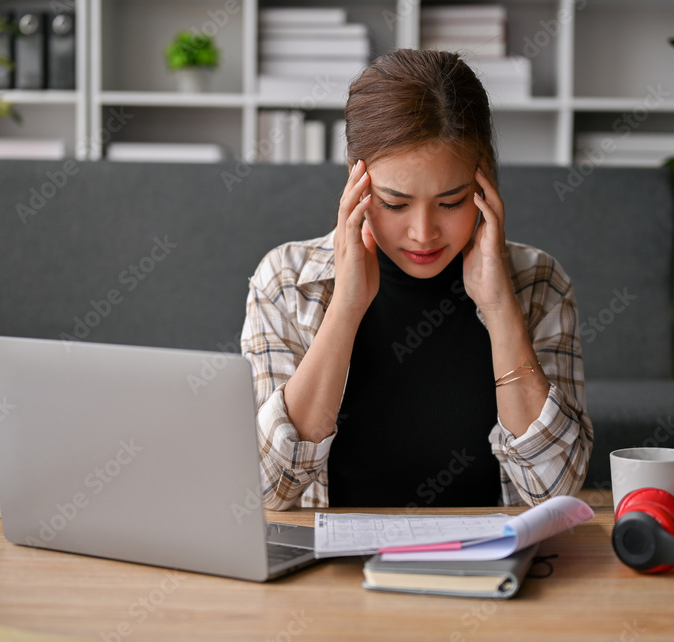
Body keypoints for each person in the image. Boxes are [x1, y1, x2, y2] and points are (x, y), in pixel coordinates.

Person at [242, 49, 594, 510]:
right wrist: (346, 307)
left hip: (488, 567)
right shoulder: (287, 281)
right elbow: (271, 490)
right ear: (357, 181)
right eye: (394, 203)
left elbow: (555, 491)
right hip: (333, 576)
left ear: (484, 179)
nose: (423, 233)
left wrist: (499, 306)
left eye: (451, 202)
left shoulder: (539, 283)